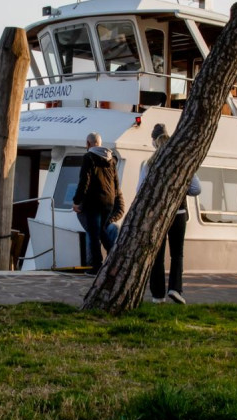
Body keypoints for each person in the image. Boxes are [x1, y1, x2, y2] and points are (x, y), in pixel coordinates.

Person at [139, 123, 201, 304]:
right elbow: (196, 188)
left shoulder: (149, 164)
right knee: (177, 253)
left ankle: (158, 295)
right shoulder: (182, 161)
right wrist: (181, 190)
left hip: (157, 214)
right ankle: (175, 288)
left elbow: (140, 189)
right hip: (179, 212)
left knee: (157, 254)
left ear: (153, 142)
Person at [72, 132, 125, 274]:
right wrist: (114, 200)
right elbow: (115, 183)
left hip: (93, 202)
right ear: (100, 143)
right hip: (109, 202)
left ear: (88, 143)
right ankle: (113, 258)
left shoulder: (89, 157)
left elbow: (85, 180)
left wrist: (77, 201)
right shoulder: (111, 159)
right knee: (101, 231)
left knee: (94, 235)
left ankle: (95, 267)